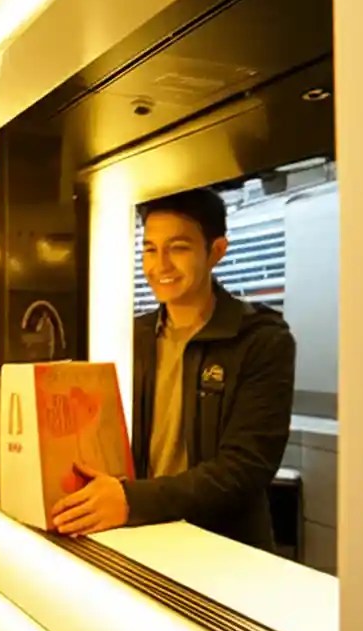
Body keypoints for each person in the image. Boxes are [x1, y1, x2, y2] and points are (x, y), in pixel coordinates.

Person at [51, 188, 296, 551]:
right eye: (150, 248)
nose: (159, 265)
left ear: (216, 252)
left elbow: (245, 469)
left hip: (222, 548)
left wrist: (133, 500)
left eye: (178, 248)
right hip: (141, 537)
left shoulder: (260, 340)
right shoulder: (129, 336)